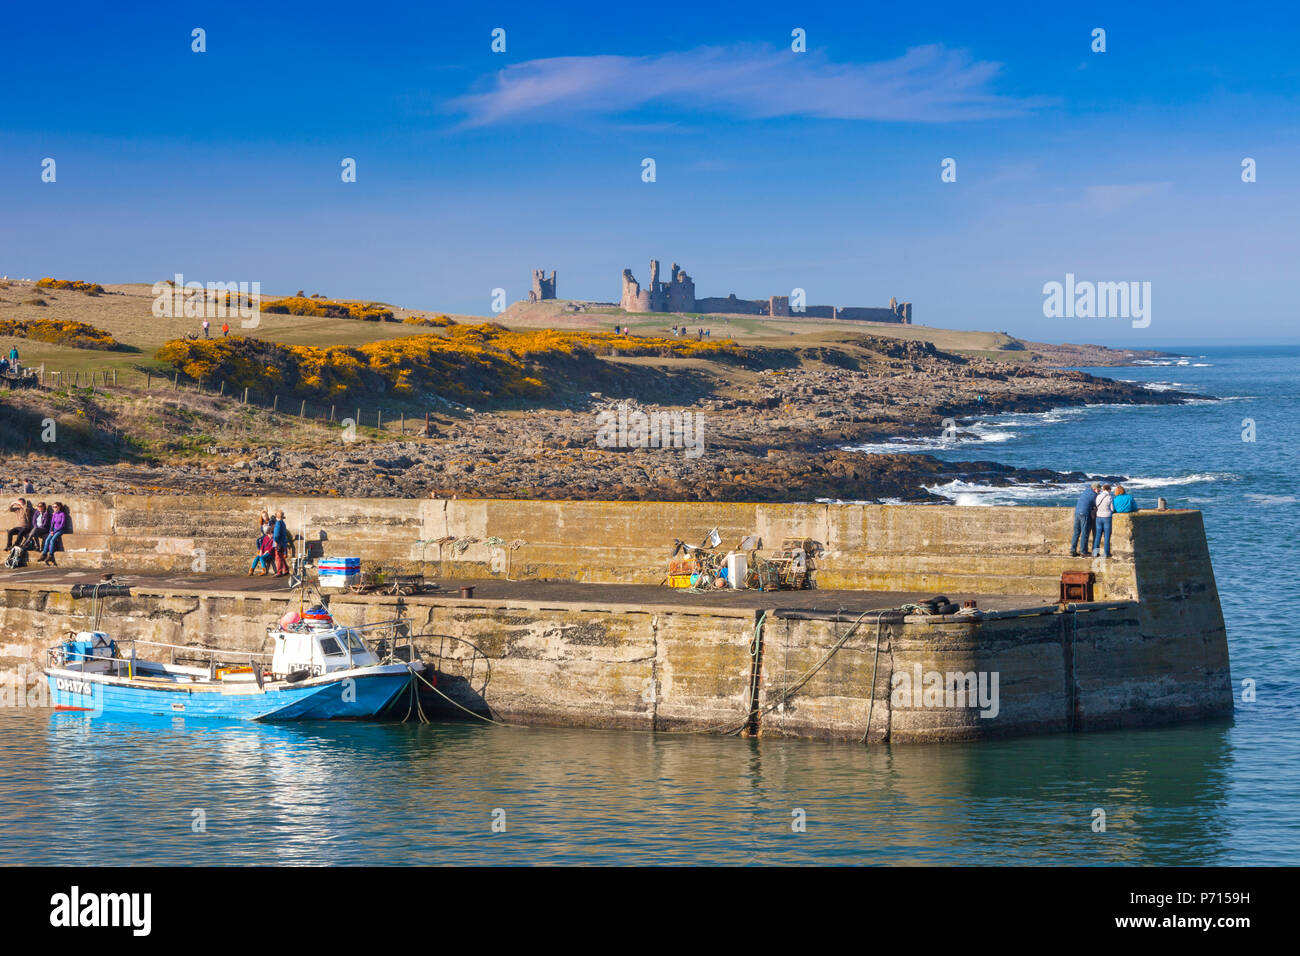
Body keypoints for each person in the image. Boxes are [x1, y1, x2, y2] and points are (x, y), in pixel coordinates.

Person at [1070, 483, 1099, 557]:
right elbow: (1096, 506)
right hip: (1084, 513)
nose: (1099, 491)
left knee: (1076, 532)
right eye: (1099, 489)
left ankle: (1072, 551)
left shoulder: (1086, 491)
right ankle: (1083, 551)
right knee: (1084, 533)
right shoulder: (1094, 495)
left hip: (1077, 513)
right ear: (1095, 488)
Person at [1093, 483, 1115, 558]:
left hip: (1098, 517)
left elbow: (1096, 505)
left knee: (1098, 535)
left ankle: (1095, 553)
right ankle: (1106, 553)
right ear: (1108, 489)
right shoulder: (1109, 497)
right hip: (1107, 517)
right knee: (1107, 536)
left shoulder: (1098, 496)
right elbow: (1112, 509)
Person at [271, 510, 292, 576]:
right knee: (281, 557)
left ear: (276, 516)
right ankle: (286, 570)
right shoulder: (283, 523)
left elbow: (276, 534)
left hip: (278, 543)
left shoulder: (278, 523)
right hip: (283, 543)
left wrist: (276, 541)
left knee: (278, 558)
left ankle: (279, 572)